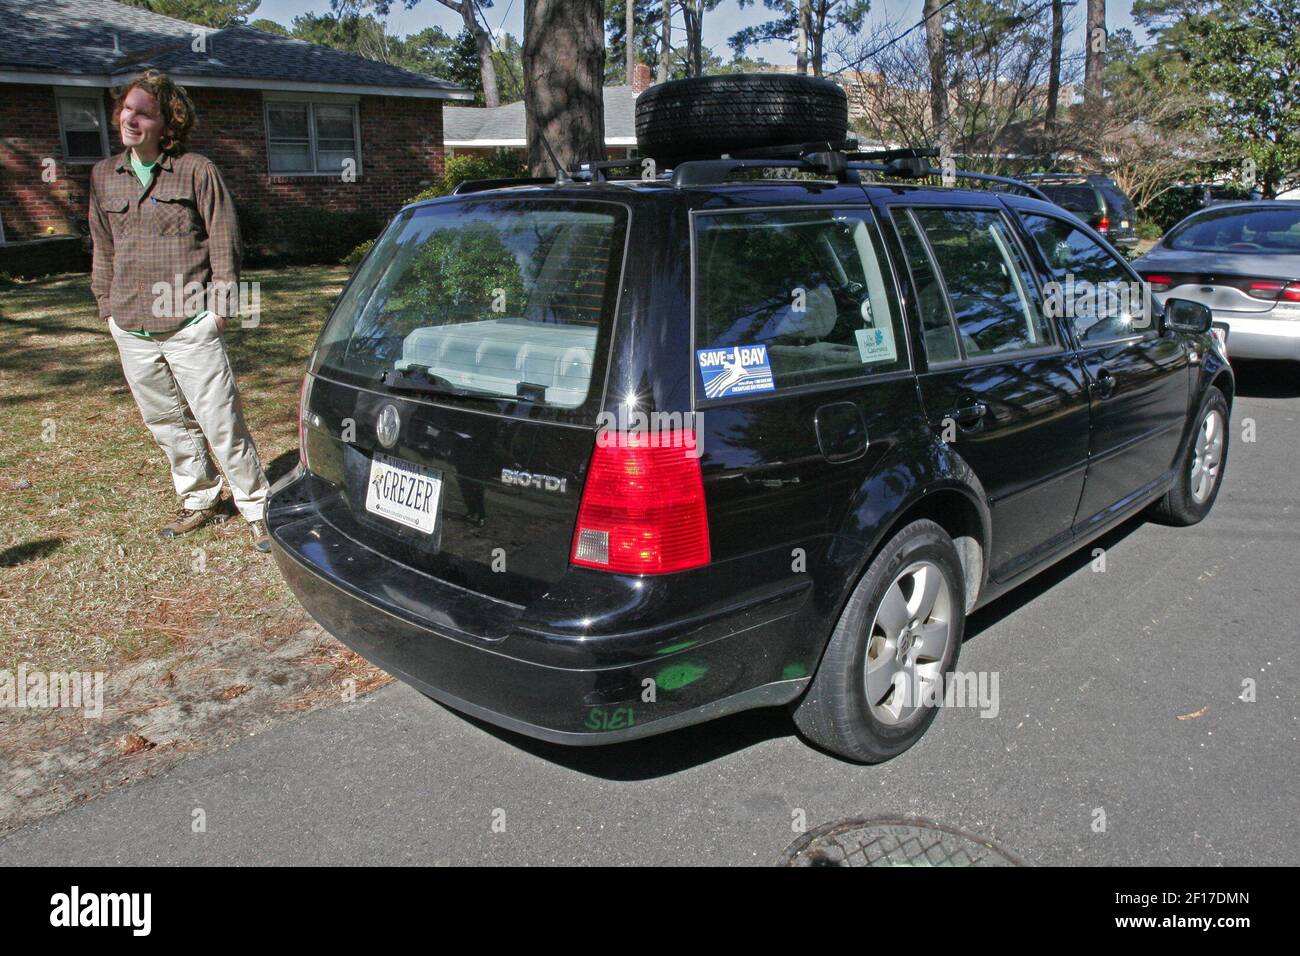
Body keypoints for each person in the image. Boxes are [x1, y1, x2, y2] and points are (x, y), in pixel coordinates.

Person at [89, 70, 271, 552]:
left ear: (167, 121)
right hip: (130, 324)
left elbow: (223, 239)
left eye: (142, 111)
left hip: (190, 320)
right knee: (166, 421)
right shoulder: (104, 175)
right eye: (126, 108)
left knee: (220, 419)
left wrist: (221, 309)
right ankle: (199, 498)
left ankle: (257, 506)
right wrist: (106, 307)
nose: (129, 118)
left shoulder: (196, 170)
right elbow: (102, 248)